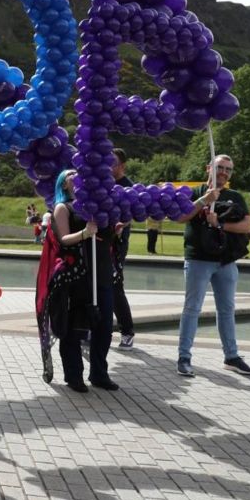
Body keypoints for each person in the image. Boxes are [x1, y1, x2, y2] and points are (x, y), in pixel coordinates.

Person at [175, 155, 250, 378]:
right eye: (219, 167)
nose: (223, 172)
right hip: (198, 259)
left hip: (226, 261)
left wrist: (219, 223)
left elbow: (248, 225)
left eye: (228, 170)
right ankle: (184, 357)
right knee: (192, 308)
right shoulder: (193, 192)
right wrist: (203, 200)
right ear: (208, 168)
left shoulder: (234, 196)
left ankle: (231, 356)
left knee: (227, 310)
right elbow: (180, 217)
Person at [50, 168, 120, 392]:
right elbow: (63, 239)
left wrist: (114, 230)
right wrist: (84, 234)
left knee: (104, 327)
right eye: (71, 174)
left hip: (102, 274)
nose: (76, 174)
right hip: (78, 277)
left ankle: (99, 373)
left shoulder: (98, 207)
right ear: (64, 184)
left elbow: (105, 241)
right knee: (74, 328)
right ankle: (74, 375)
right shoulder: (63, 208)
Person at [110, 149, 135, 350]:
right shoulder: (103, 182)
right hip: (100, 240)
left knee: (116, 287)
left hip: (116, 244)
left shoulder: (128, 187)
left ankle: (127, 331)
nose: (108, 165)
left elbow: (129, 216)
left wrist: (120, 226)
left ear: (122, 166)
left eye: (113, 162)